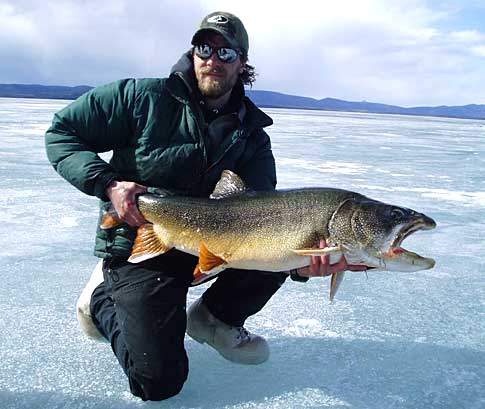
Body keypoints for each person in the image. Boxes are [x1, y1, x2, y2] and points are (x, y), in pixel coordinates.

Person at [45, 11, 365, 401]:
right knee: (157, 381)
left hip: (214, 247)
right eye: (204, 48)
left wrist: (302, 266)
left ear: (242, 63)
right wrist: (109, 184)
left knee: (285, 240)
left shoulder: (253, 137)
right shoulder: (139, 98)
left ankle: (214, 319)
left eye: (226, 52)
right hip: (146, 242)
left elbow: (260, 212)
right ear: (193, 52)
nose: (212, 59)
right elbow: (63, 132)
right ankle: (101, 301)